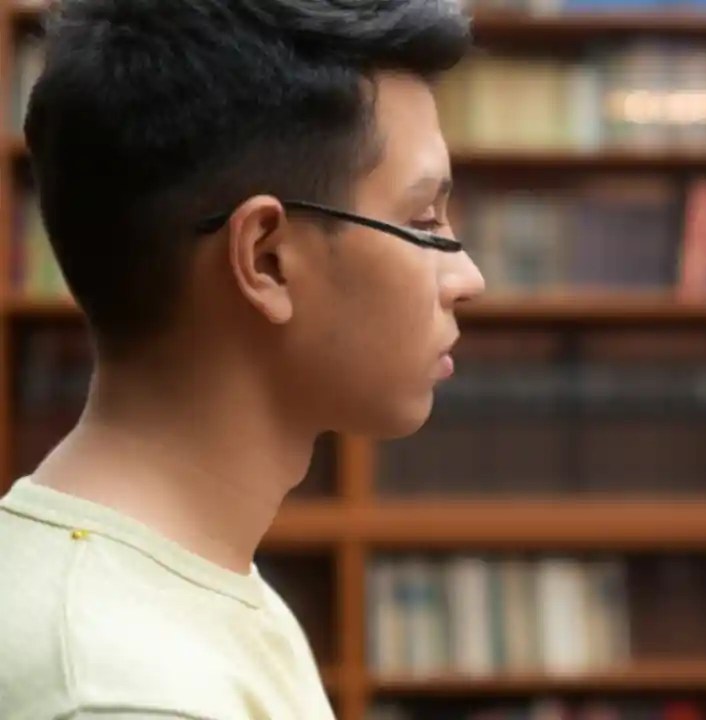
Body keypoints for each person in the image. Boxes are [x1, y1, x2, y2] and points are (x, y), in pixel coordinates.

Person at [0, 0, 484, 718]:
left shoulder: (195, 581)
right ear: (267, 260)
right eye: (423, 221)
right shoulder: (123, 692)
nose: (467, 276)